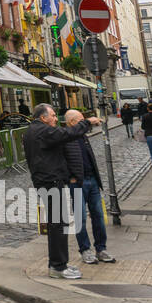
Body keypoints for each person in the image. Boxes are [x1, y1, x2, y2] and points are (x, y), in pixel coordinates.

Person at [22, 104, 101, 280]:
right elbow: (67, 134)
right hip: (50, 183)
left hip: (48, 181)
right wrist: (87, 122)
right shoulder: (43, 131)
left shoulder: (34, 130)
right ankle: (57, 266)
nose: (56, 119)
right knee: (58, 225)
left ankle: (58, 263)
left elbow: (52, 153)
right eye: (52, 116)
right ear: (43, 118)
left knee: (58, 224)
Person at [62, 110, 115, 264]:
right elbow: (60, 161)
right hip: (77, 183)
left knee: (98, 215)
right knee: (80, 218)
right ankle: (85, 250)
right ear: (72, 122)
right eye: (81, 120)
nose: (84, 122)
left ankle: (101, 248)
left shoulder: (83, 136)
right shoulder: (65, 137)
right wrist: (69, 178)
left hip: (92, 180)